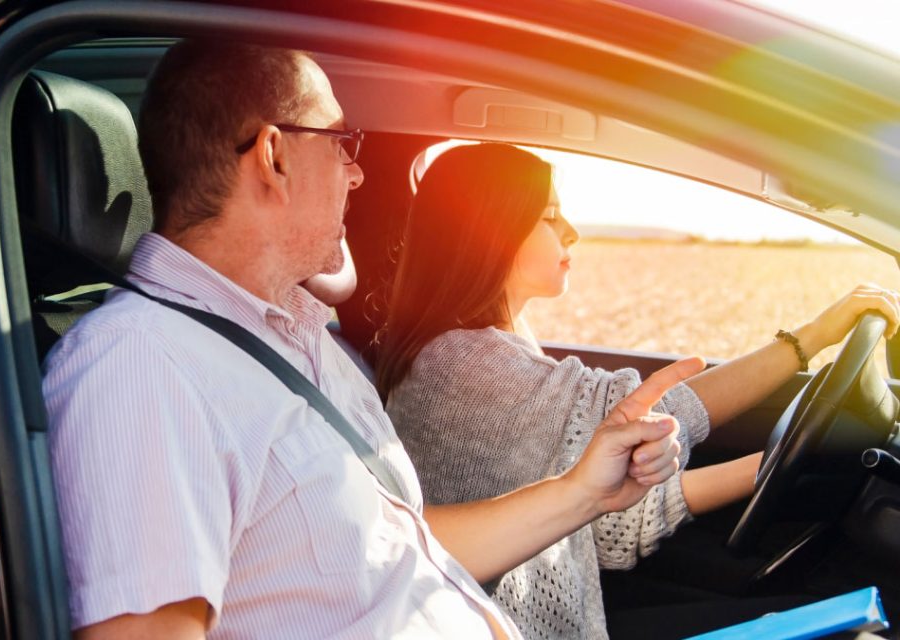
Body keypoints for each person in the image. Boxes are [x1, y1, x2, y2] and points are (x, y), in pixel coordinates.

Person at [43, 40, 700, 639]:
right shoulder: (142, 365)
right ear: (274, 157)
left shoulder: (304, 339)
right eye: (340, 143)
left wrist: (583, 491)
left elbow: (392, 549)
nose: (355, 174)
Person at [375, 142, 900, 639]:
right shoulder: (464, 363)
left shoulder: (485, 346)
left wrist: (779, 461)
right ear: (490, 231)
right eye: (550, 216)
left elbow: (609, 517)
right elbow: (659, 414)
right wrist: (813, 338)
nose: (572, 233)